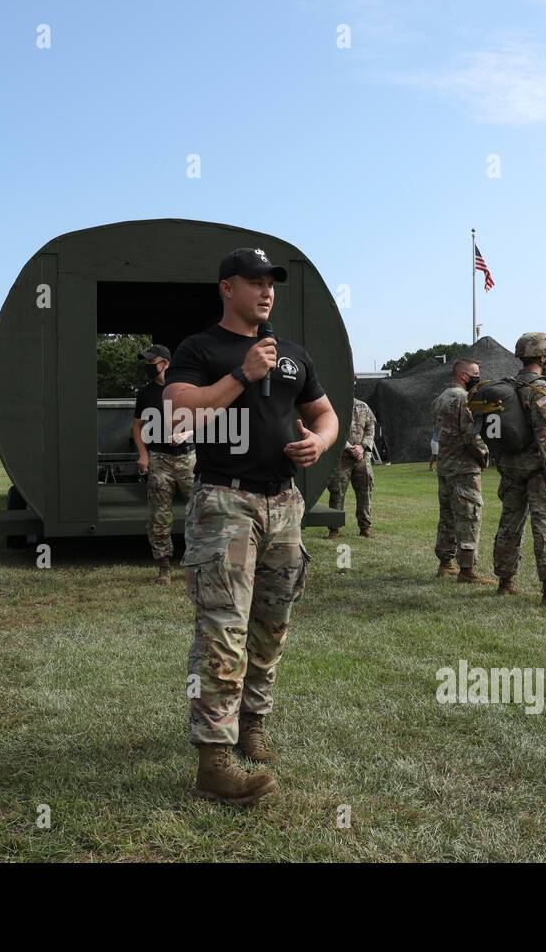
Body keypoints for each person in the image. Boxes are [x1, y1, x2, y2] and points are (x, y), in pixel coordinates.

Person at [165, 247, 339, 806]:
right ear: (227, 288)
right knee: (223, 629)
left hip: (284, 505)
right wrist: (242, 373)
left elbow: (325, 412)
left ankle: (251, 724)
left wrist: (320, 440)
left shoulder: (292, 353)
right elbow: (180, 414)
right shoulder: (200, 348)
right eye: (255, 281)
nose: (266, 291)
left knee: (271, 623)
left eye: (272, 283)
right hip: (225, 503)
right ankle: (214, 761)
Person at [491, 332, 546, 607]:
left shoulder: (508, 386)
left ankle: (505, 582)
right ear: (543, 357)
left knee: (509, 526)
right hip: (538, 470)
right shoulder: (540, 389)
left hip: (510, 469)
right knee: (545, 527)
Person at [132, 343, 195, 585]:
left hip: (189, 458)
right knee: (159, 515)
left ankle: (196, 564)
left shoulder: (186, 390)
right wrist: (143, 455)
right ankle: (164, 569)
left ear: (165, 364)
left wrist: (187, 432)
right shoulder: (145, 394)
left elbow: (207, 417)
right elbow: (136, 427)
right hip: (159, 459)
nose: (148, 367)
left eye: (151, 363)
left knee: (199, 512)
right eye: (147, 363)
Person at [430, 359, 492, 585]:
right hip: (464, 468)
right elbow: (470, 434)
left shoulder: (440, 399)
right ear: (464, 376)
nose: (480, 375)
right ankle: (467, 570)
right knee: (469, 515)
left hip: (445, 466)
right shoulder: (464, 399)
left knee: (447, 516)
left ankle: (446, 564)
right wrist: (484, 454)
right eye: (476, 372)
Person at [326, 393, 376, 539]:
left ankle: (365, 527)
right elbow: (332, 428)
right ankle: (334, 529)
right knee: (337, 492)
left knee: (365, 492)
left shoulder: (364, 406)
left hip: (362, 458)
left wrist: (361, 447)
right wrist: (349, 447)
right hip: (342, 457)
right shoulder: (333, 406)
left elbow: (370, 429)